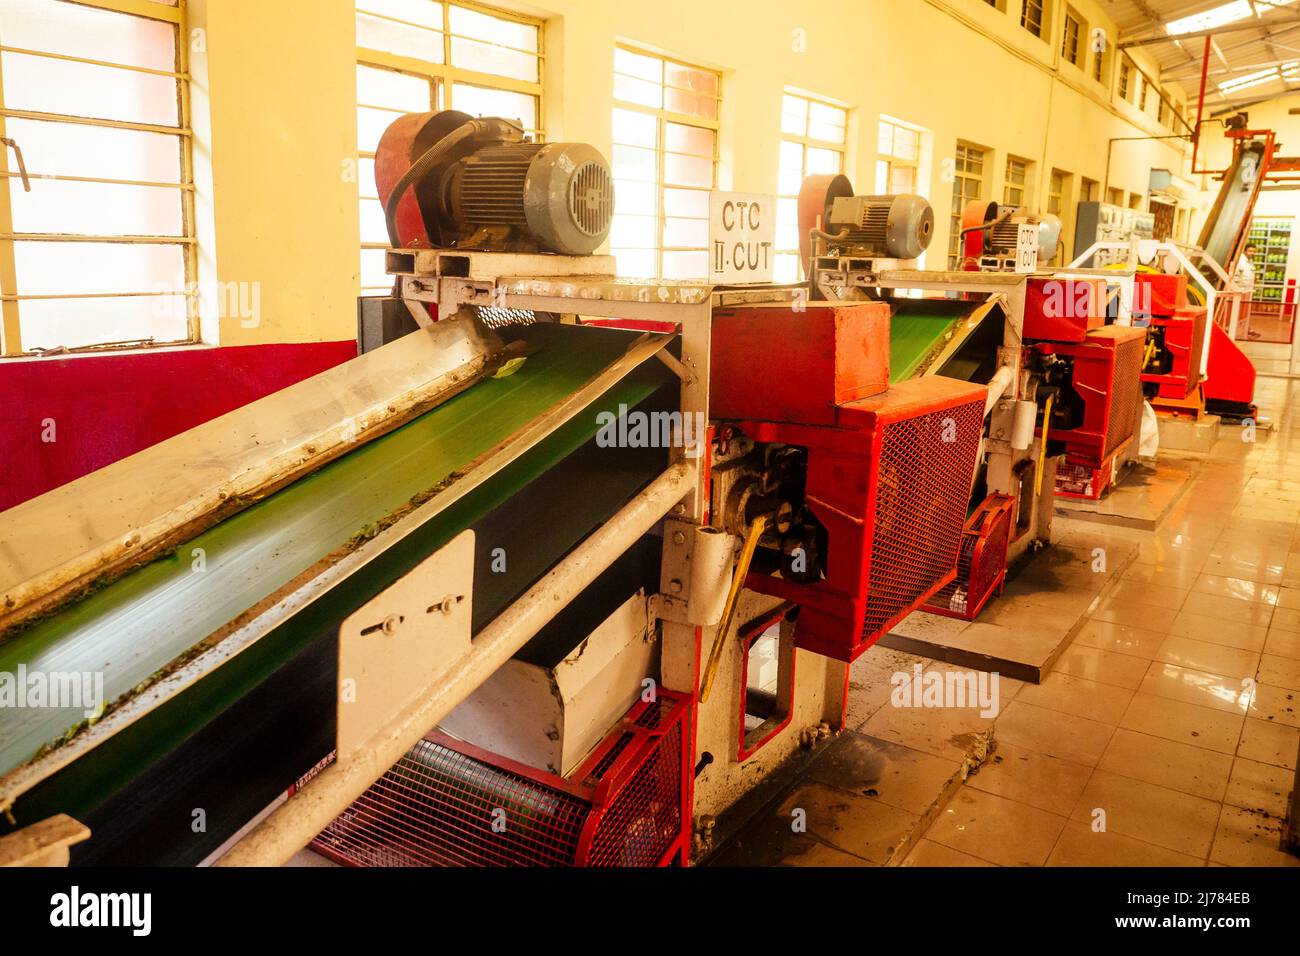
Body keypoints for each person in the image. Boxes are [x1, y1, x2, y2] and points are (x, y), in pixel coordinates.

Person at [1231, 243, 1257, 338]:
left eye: (1254, 251)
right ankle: (1233, 329)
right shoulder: (1240, 261)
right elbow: (1236, 275)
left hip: (1247, 290)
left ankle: (1247, 328)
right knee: (1237, 311)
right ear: (1245, 251)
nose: (1252, 253)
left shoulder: (1250, 261)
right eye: (1250, 251)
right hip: (1240, 290)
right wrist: (1236, 289)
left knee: (1245, 312)